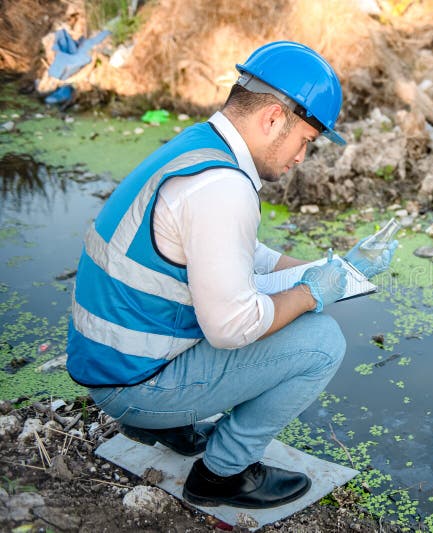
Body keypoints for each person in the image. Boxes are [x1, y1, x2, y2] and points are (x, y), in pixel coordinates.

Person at [66, 41, 397, 509]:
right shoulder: (223, 189)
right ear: (273, 119)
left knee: (262, 301)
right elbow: (233, 328)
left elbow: (246, 254)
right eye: (306, 140)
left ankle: (163, 424)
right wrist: (309, 294)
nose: (302, 156)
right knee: (322, 341)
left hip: (111, 364)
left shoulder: (199, 147)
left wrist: (337, 271)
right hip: (130, 384)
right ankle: (222, 474)